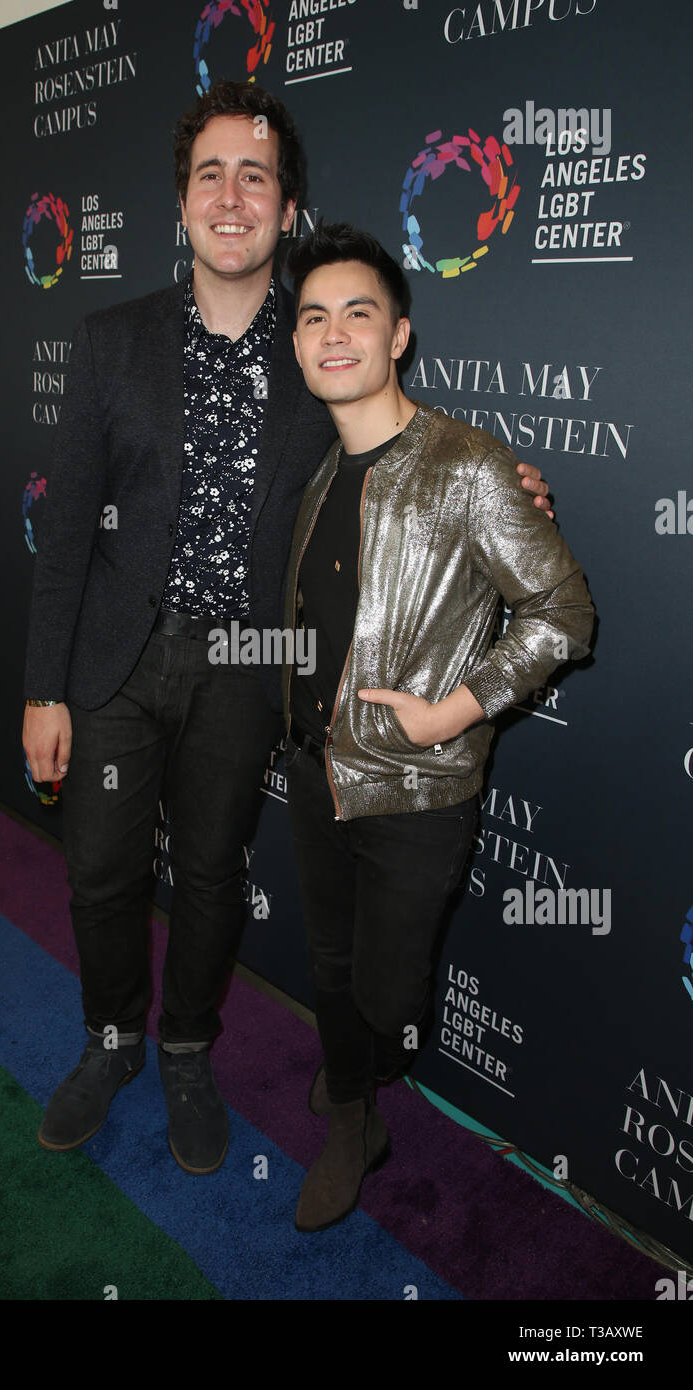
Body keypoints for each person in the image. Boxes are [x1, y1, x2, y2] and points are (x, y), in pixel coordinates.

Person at [22, 83, 551, 1177]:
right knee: (100, 874)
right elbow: (67, 527)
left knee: (212, 872)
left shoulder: (319, 346)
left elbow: (401, 444)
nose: (230, 195)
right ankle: (111, 1037)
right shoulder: (110, 341)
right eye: (209, 174)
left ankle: (181, 1047)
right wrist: (43, 688)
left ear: (285, 206)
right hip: (116, 656)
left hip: (247, 664)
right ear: (181, 206)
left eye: (253, 175)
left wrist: (506, 485)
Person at [281, 222, 594, 1231]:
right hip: (317, 772)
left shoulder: (467, 464)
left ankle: (365, 1070)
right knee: (328, 963)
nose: (334, 334)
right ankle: (352, 1123)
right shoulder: (323, 474)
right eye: (313, 317)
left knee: (385, 992)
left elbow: (562, 613)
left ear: (399, 335)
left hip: (417, 787)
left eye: (356, 314)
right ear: (297, 342)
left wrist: (451, 712)